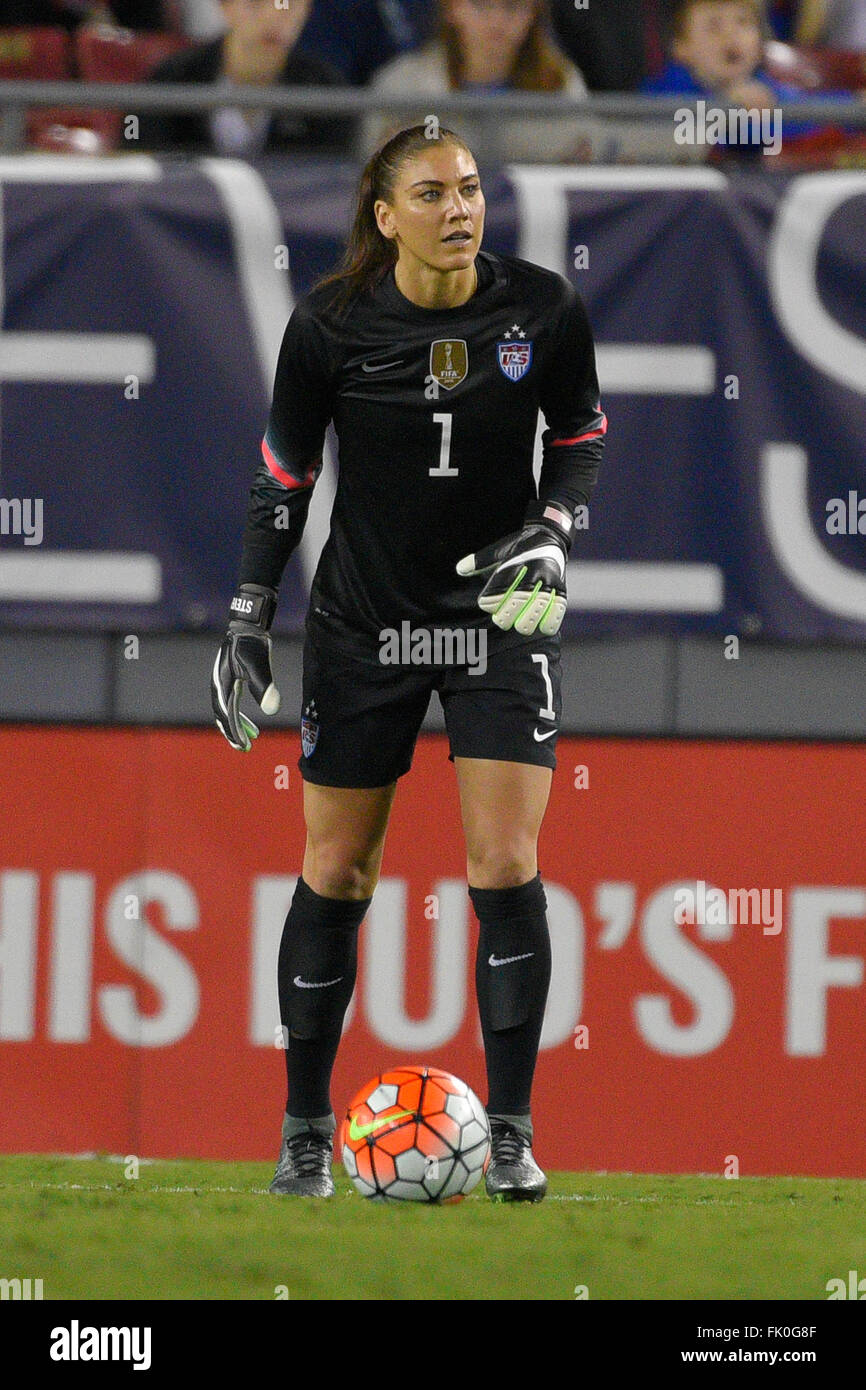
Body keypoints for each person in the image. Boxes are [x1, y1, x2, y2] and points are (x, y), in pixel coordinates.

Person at [211, 123, 606, 1201]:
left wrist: (554, 529)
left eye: (469, 188)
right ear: (385, 219)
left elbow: (578, 435)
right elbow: (285, 474)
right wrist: (248, 612)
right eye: (431, 194)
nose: (458, 208)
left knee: (506, 862)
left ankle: (512, 1134)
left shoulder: (542, 309)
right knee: (338, 868)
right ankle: (304, 1129)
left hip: (497, 615)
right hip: (364, 620)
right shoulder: (328, 326)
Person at [360, 0, 591, 164]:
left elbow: (582, 157)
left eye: (513, 7)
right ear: (452, 8)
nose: (497, 22)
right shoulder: (403, 83)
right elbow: (373, 168)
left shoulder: (562, 82)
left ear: (533, 14)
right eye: (481, 5)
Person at [137, 0, 350, 157]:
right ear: (225, 7)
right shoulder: (173, 79)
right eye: (255, 3)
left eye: (288, 4)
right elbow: (139, 160)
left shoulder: (326, 89)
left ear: (307, 10)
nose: (273, 16)